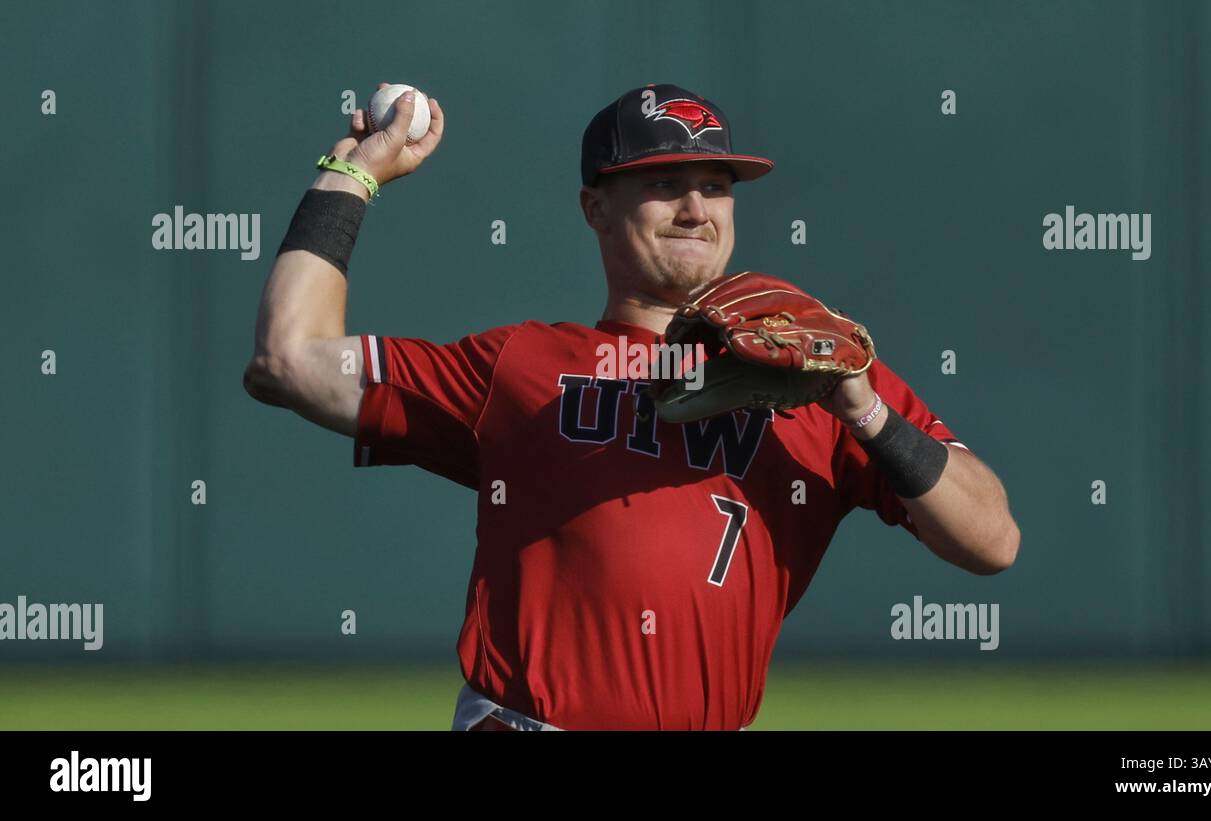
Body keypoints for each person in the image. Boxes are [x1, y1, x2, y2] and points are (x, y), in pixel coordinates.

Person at [244, 82, 1020, 731]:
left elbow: (993, 541)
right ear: (595, 208)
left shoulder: (820, 368)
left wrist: (865, 410)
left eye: (715, 186)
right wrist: (350, 174)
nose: (695, 207)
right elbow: (289, 360)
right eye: (662, 183)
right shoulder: (522, 366)